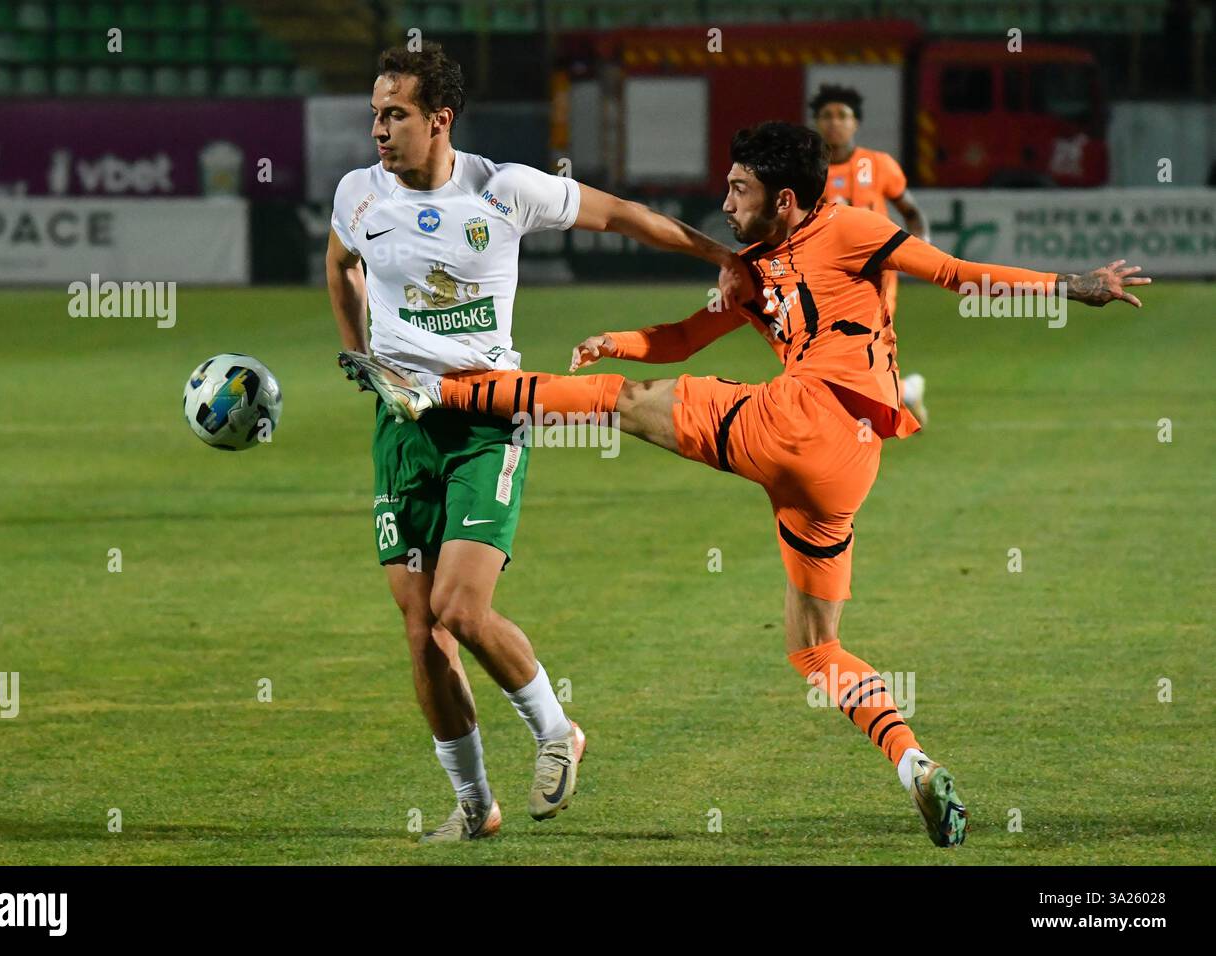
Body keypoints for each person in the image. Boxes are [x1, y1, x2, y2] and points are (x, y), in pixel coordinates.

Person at [341, 121, 1150, 847]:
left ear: (788, 200)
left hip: (802, 419)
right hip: (847, 468)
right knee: (814, 648)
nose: (723, 200)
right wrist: (620, 337)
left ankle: (439, 393)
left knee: (616, 407)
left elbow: (954, 271)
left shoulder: (854, 231)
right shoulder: (754, 266)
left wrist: (1067, 285)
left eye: (739, 188)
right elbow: (692, 334)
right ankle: (914, 764)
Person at [327, 41, 754, 843]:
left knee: (459, 605)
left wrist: (720, 256)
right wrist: (361, 354)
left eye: (395, 115)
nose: (378, 130)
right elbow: (340, 264)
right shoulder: (358, 194)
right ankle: (472, 805)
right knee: (422, 633)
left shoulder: (505, 189)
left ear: (440, 120)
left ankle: (557, 730)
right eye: (375, 115)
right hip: (402, 429)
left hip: (489, 422)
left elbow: (624, 216)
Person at [812, 83, 931, 422]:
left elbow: (911, 211)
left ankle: (847, 417)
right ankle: (905, 392)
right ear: (817, 123)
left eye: (842, 115)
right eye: (826, 116)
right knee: (837, 350)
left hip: (875, 274)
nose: (834, 122)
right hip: (827, 275)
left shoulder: (879, 165)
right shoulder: (808, 170)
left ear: (856, 123)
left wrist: (919, 250)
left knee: (861, 343)